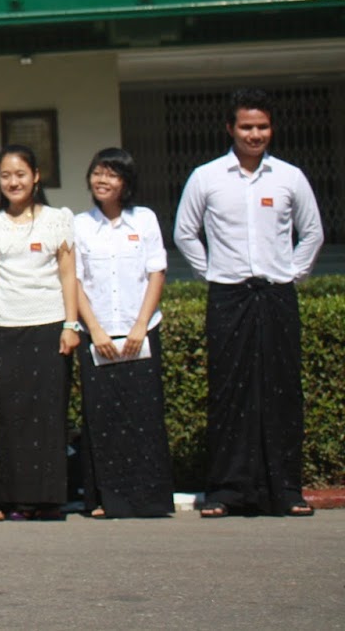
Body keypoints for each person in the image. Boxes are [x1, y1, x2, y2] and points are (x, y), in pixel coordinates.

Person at [173, 88, 323, 518]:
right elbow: (186, 232)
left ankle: (286, 490)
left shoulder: (290, 177)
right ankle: (226, 491)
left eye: (262, 126)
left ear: (271, 128)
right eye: (246, 127)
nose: (254, 134)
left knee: (281, 391)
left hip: (276, 293)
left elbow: (311, 232)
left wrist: (291, 273)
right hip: (229, 295)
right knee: (229, 391)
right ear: (230, 129)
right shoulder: (207, 176)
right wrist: (214, 273)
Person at [0, 144, 79, 520]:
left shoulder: (58, 219)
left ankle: (50, 500)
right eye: (6, 175)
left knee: (49, 415)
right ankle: (15, 500)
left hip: (50, 326)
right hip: (7, 328)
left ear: (36, 176)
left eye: (20, 174)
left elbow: (69, 274)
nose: (13, 182)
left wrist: (71, 324)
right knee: (11, 416)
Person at [73, 147, 173, 518]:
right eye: (98, 172)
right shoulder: (80, 225)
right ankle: (104, 499)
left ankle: (149, 499)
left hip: (141, 332)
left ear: (126, 182)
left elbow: (156, 273)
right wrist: (95, 329)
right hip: (97, 336)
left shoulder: (144, 220)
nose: (103, 180)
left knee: (143, 415)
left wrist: (140, 326)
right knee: (102, 419)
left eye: (112, 174)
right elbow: (76, 282)